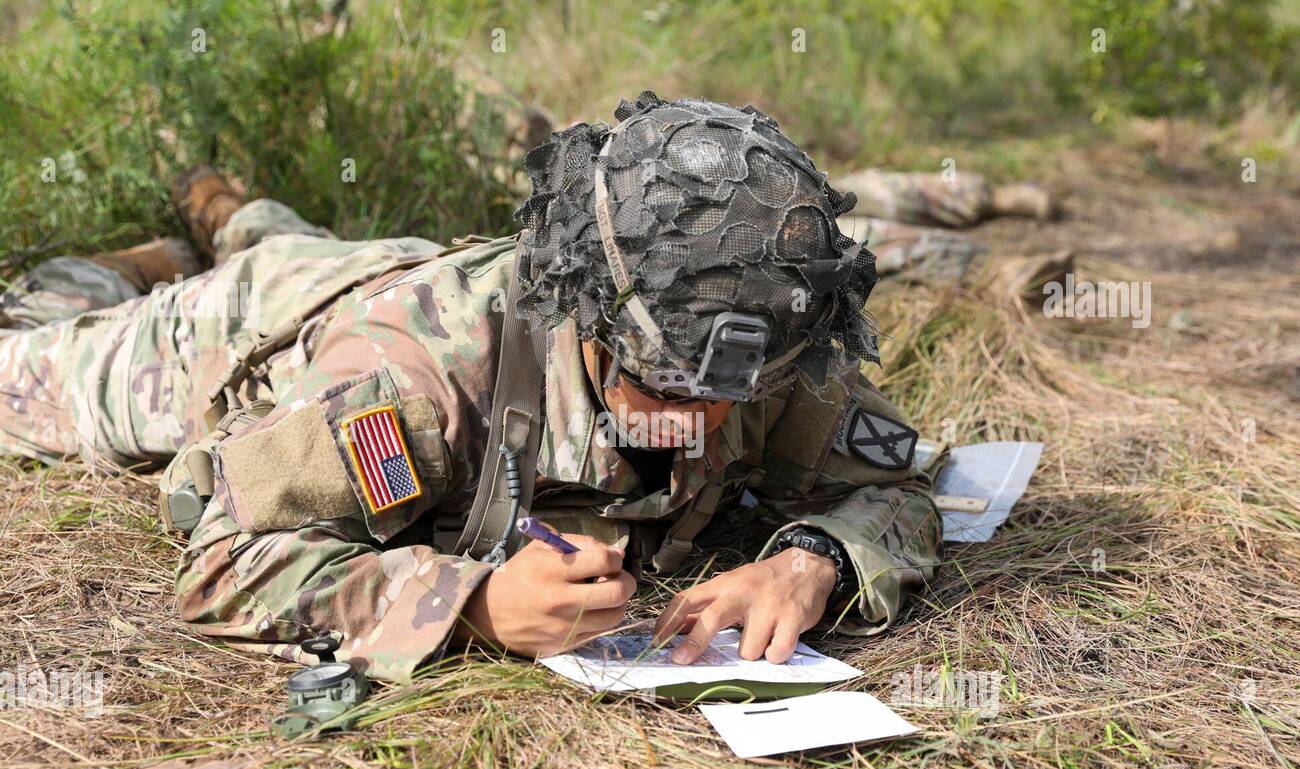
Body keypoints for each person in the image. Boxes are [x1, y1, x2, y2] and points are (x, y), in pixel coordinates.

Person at [0, 92, 945, 682]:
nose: (703, 420)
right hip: (232, 331)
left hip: (375, 268)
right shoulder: (417, 376)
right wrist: (472, 607)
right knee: (24, 358)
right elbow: (223, 565)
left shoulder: (741, 337)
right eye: (664, 386)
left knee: (280, 239)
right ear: (591, 315)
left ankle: (225, 208)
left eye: (729, 394)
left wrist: (810, 560)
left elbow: (894, 483)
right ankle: (134, 262)